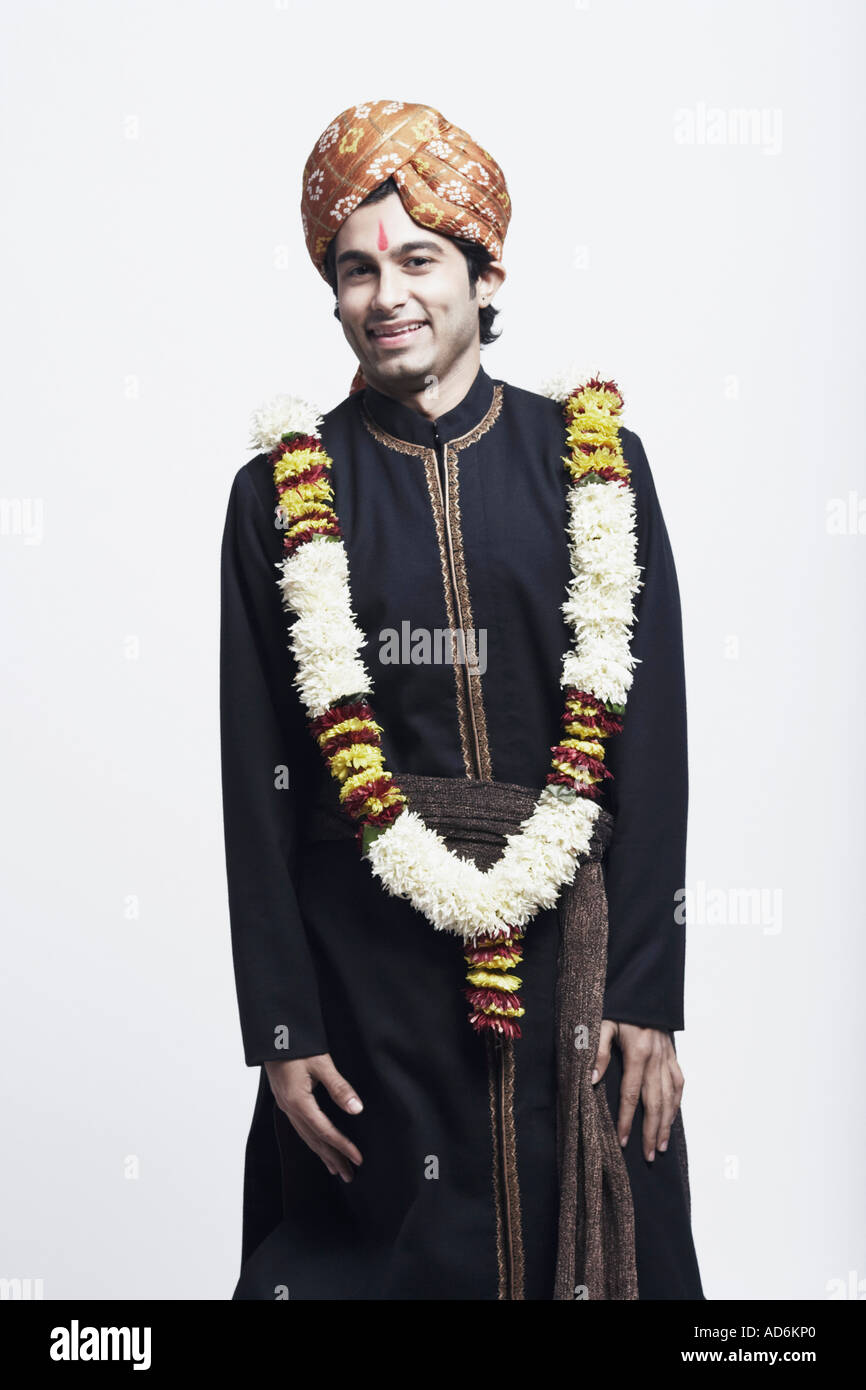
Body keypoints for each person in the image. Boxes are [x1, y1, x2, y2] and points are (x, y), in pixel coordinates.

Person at [219, 99, 704, 1300]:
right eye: (354, 267)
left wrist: (646, 988)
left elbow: (649, 745)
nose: (387, 293)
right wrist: (282, 1031)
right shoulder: (280, 494)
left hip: (568, 982)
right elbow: (255, 781)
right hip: (366, 978)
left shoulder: (592, 464)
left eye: (419, 259)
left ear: (486, 276)